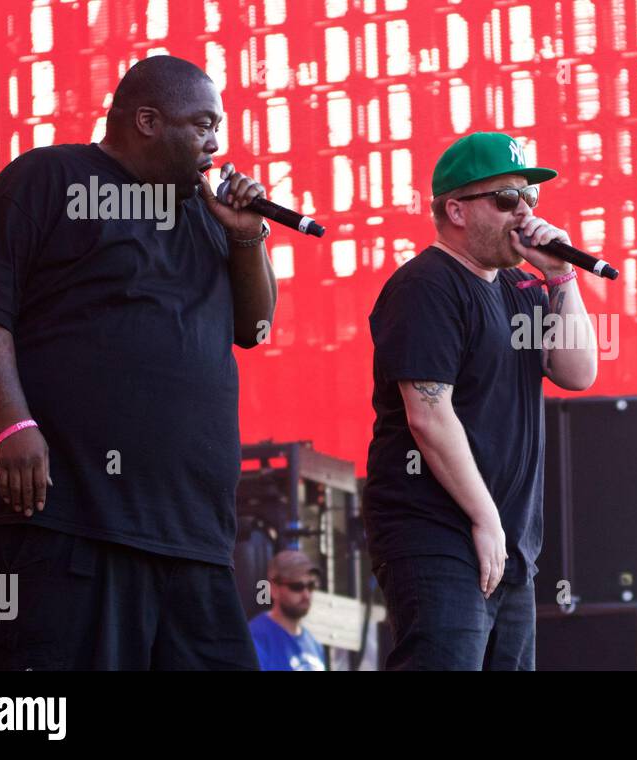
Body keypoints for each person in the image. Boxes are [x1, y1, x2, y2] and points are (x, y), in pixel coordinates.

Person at [0, 55, 276, 670]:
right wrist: (14, 423)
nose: (216, 143)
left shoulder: (203, 212)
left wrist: (247, 234)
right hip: (67, 516)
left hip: (189, 529)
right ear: (148, 120)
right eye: (203, 124)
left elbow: (253, 329)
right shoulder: (48, 177)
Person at [362, 132, 599, 670]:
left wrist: (560, 273)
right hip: (437, 531)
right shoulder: (426, 285)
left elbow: (577, 371)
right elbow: (428, 413)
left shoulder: (520, 288)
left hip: (508, 537)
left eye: (529, 199)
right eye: (505, 199)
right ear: (456, 210)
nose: (524, 212)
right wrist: (484, 517)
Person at [249, 551, 326, 671]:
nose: (306, 595)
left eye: (311, 586)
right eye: (297, 586)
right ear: (274, 589)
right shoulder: (255, 639)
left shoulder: (315, 645)